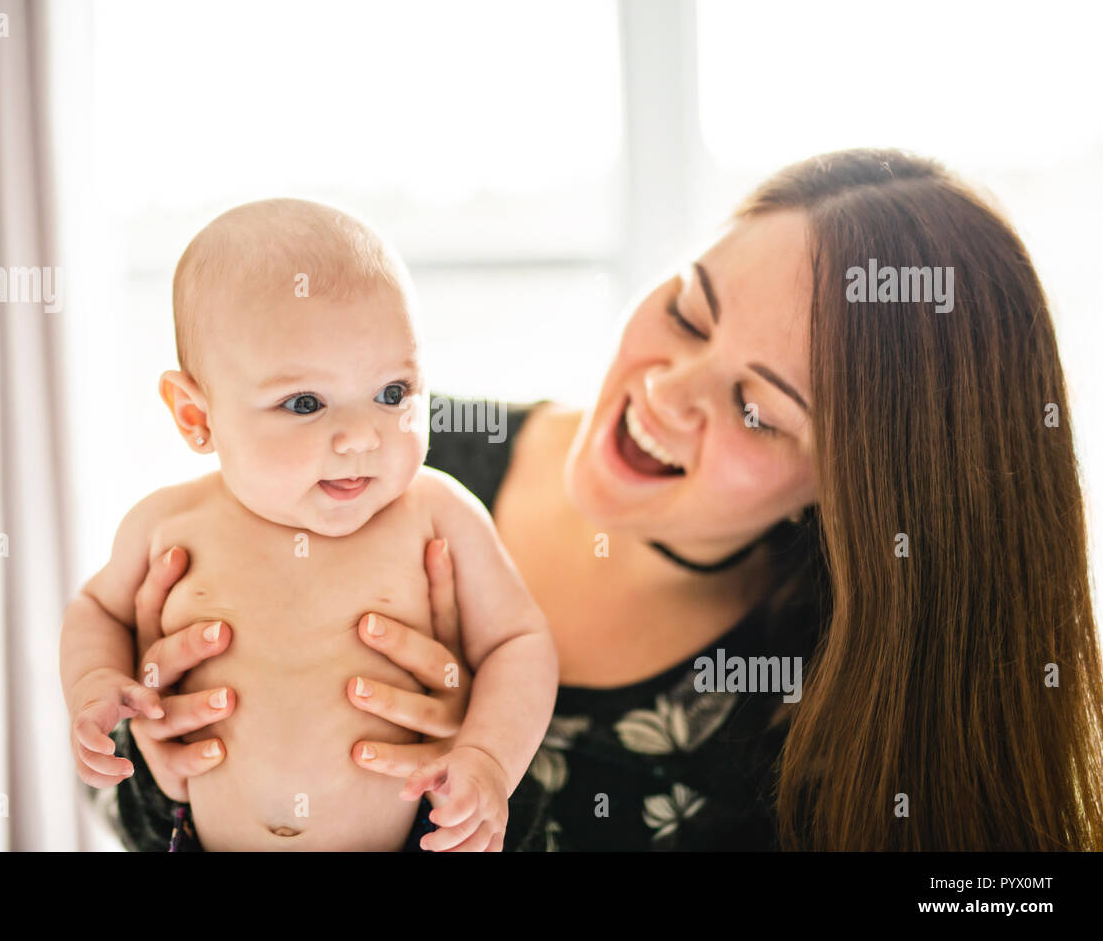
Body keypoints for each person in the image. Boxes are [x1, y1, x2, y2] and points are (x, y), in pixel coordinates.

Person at [106, 149, 1103, 851]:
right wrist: (159, 737)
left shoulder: (811, 721)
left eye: (757, 407)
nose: (669, 390)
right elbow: (128, 798)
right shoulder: (392, 453)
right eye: (685, 309)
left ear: (852, 491)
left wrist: (486, 753)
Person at [63, 199, 556, 851]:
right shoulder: (169, 523)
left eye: (392, 392)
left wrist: (488, 762)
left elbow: (520, 644)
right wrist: (96, 686)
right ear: (195, 416)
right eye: (304, 403)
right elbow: (97, 610)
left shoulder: (438, 515)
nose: (359, 438)